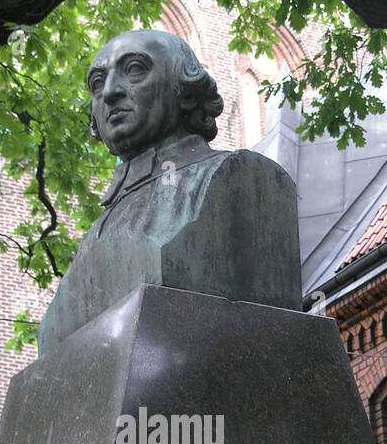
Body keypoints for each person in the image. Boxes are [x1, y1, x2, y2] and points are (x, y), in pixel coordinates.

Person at [37, 30, 300, 355]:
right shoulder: (97, 232)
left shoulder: (242, 179)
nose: (110, 92)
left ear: (185, 91)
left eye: (134, 69)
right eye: (97, 83)